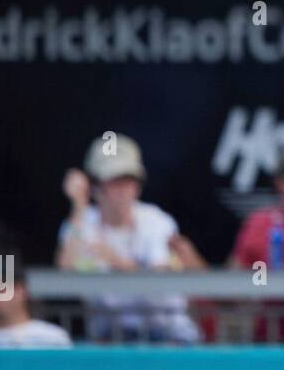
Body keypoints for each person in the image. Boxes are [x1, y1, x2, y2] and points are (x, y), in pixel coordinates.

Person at [56, 134, 206, 342]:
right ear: (96, 187)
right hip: (108, 339)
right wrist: (79, 205)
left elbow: (158, 285)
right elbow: (65, 273)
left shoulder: (156, 220)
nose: (124, 190)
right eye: (114, 181)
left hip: (167, 336)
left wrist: (116, 261)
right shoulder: (81, 222)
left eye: (129, 180)